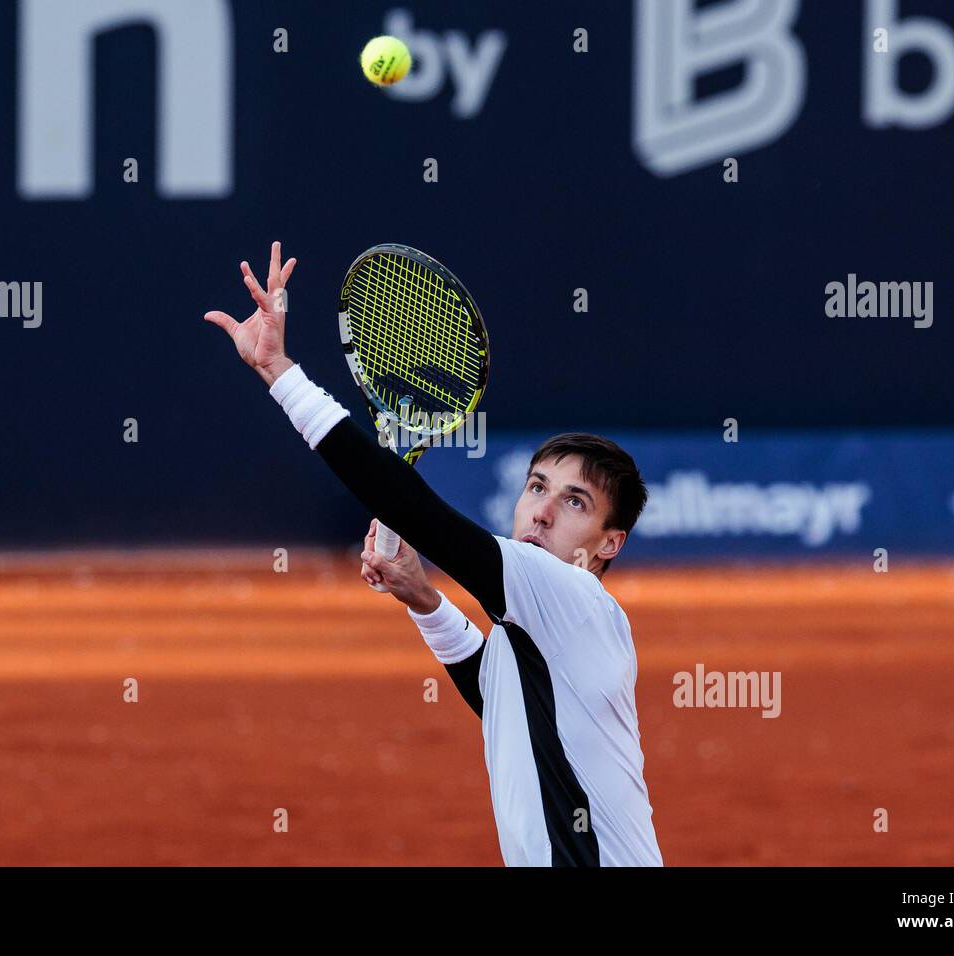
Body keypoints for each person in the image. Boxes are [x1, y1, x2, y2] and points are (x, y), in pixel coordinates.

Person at [205, 242, 663, 866]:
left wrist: (283, 374)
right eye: (537, 487)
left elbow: (419, 513)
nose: (543, 511)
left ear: (611, 544)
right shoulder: (543, 631)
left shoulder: (570, 593)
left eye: (575, 502)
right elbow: (500, 696)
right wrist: (425, 600)